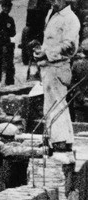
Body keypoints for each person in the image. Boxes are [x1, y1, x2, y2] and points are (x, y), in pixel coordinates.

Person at [34, 0, 81, 153]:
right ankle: (62, 139)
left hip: (58, 67)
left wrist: (47, 53)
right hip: (49, 66)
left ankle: (59, 141)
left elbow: (69, 46)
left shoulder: (71, 19)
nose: (52, 1)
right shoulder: (52, 14)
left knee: (56, 104)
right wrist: (42, 51)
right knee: (52, 104)